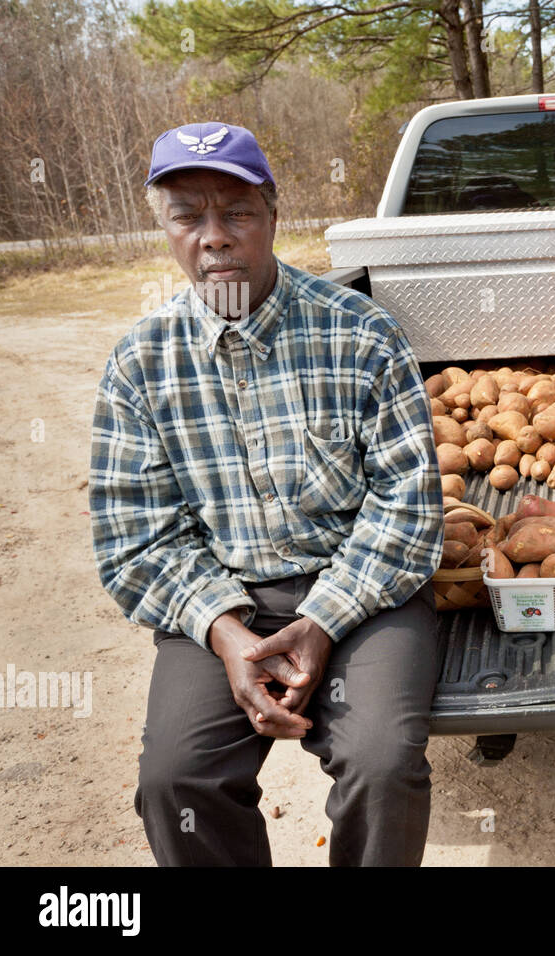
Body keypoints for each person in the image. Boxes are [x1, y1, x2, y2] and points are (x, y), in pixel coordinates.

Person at [88, 122, 446, 866]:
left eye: (237, 212)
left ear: (273, 218)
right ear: (165, 227)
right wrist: (226, 633)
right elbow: (136, 541)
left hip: (363, 593)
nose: (213, 237)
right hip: (225, 598)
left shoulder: (361, 334)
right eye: (189, 214)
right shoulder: (140, 364)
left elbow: (407, 509)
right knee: (176, 780)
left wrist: (320, 621)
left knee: (382, 764)